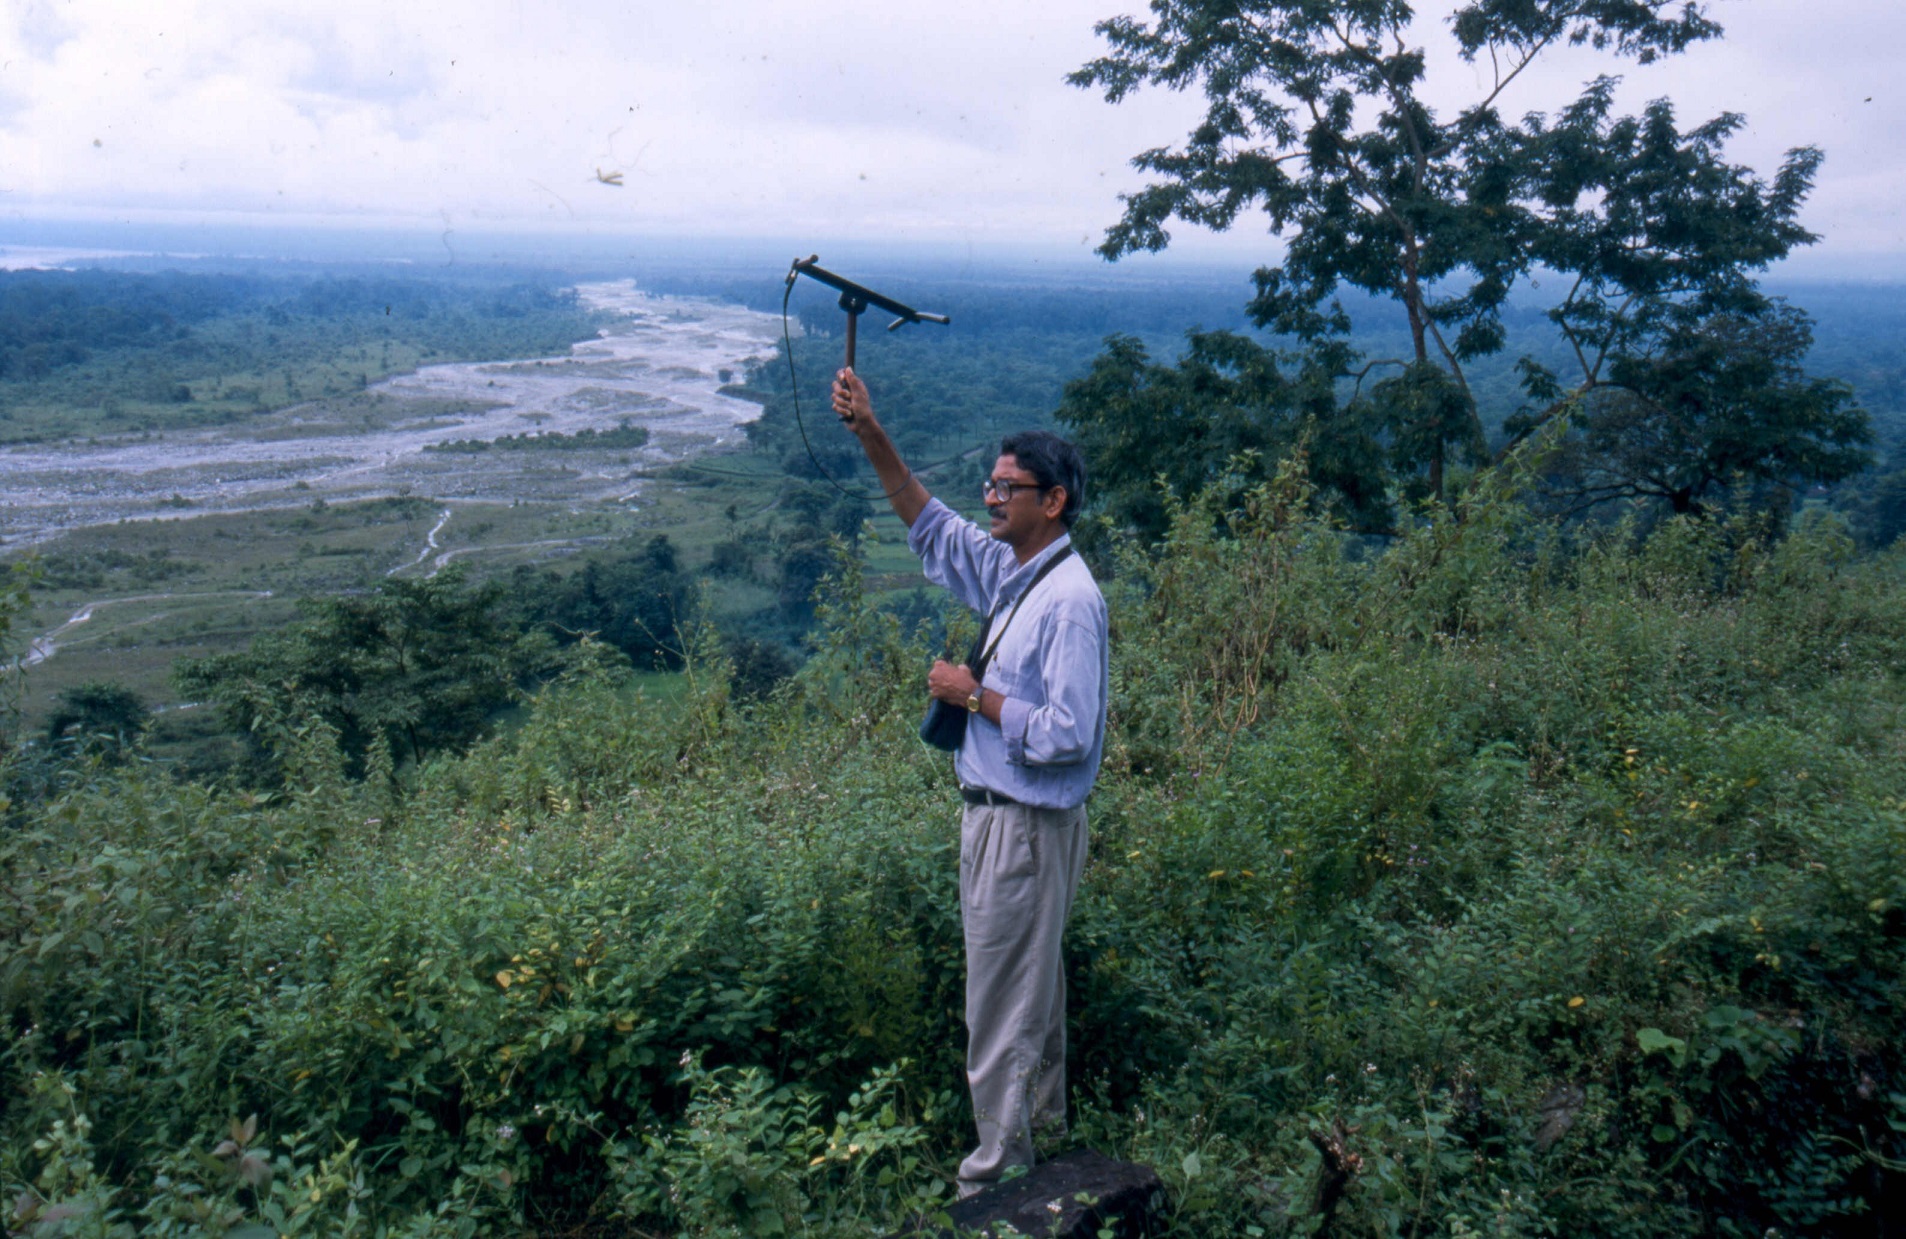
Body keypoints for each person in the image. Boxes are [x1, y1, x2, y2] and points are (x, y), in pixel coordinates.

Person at [831, 367, 1109, 1197]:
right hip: (1006, 823)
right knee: (1031, 993)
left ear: (1052, 501)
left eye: (1006, 487)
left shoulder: (1068, 601)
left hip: (1024, 827)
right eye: (990, 484)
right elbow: (931, 524)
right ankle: (1044, 1136)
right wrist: (870, 431)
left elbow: (1069, 732)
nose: (990, 498)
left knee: (1000, 1003)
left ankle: (993, 1180)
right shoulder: (1016, 573)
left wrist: (972, 695)